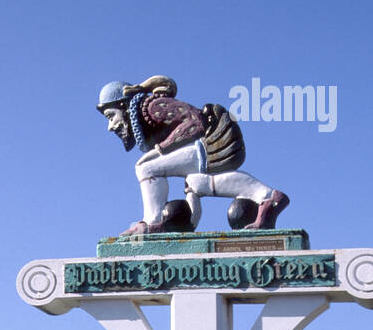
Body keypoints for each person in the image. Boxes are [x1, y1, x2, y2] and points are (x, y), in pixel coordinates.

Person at [96, 75, 289, 238]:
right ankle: (268, 197)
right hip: (206, 145)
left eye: (111, 116)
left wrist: (162, 148)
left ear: (123, 105)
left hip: (210, 141)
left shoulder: (152, 107)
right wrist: (190, 222)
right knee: (197, 182)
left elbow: (195, 122)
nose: (110, 125)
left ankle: (152, 222)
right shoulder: (145, 117)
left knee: (145, 167)